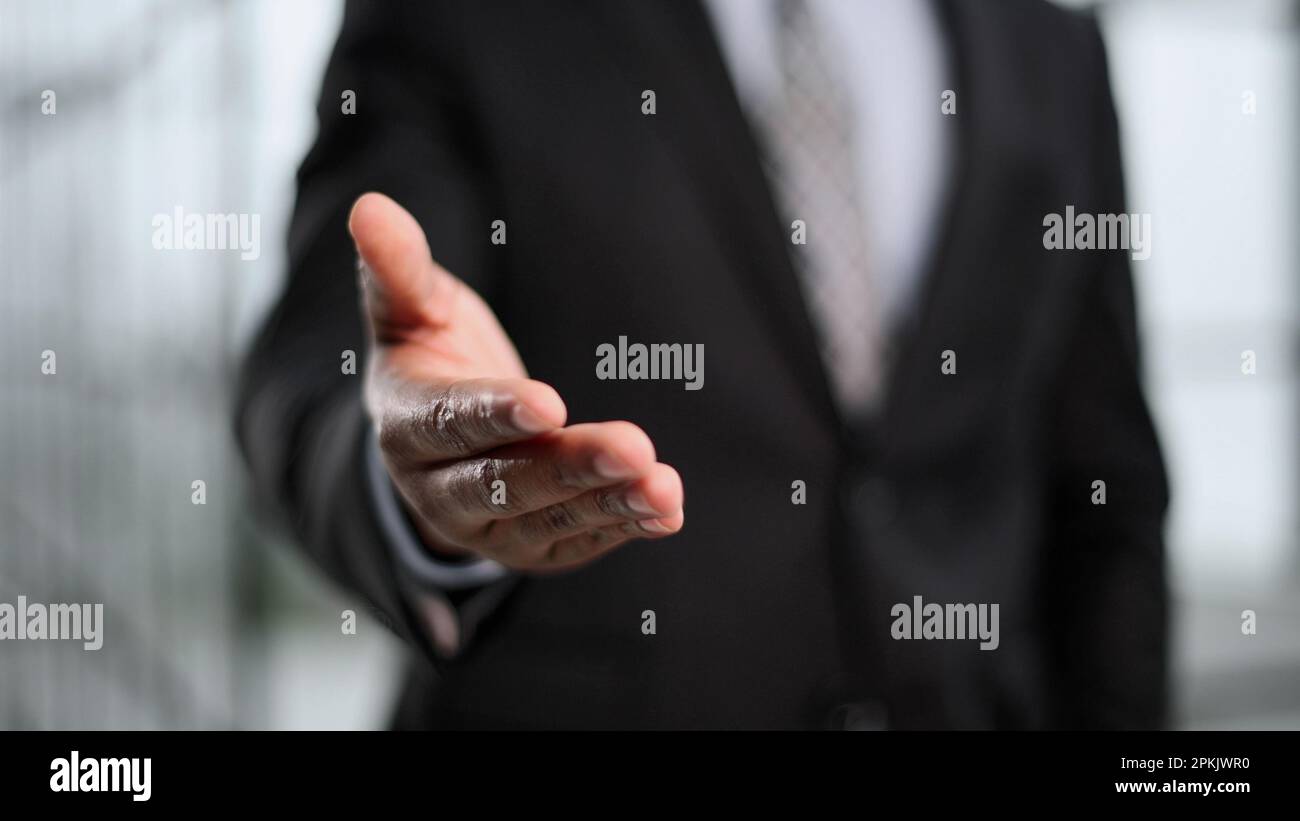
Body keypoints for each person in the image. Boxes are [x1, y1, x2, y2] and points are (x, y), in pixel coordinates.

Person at [236, 0, 1170, 729]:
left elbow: (1107, 487)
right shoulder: (466, 14)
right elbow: (314, 370)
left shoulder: (1051, 49)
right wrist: (423, 479)